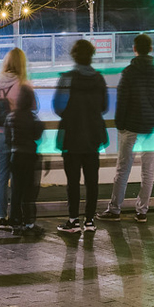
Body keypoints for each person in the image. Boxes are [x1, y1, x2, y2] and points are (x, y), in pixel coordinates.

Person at [101, 34, 154, 222]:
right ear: (150, 49)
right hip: (151, 126)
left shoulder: (129, 72)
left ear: (134, 49)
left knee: (123, 169)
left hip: (132, 126)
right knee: (148, 170)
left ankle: (115, 209)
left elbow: (122, 99)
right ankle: (142, 210)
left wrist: (120, 124)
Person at [52, 39, 109, 234]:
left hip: (71, 135)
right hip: (93, 136)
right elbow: (104, 107)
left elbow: (58, 106)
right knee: (92, 180)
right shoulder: (99, 79)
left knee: (73, 181)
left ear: (74, 56)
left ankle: (73, 220)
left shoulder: (67, 79)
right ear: (92, 55)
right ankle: (90, 220)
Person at [0, 48, 29, 226]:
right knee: (18, 177)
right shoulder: (22, 84)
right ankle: (16, 215)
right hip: (17, 134)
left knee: (1, 176)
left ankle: (1, 216)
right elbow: (32, 106)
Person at [8, 80, 46, 234]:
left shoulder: (11, 117)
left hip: (15, 156)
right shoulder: (33, 118)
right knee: (29, 192)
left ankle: (15, 223)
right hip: (30, 157)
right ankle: (29, 223)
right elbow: (37, 135)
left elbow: (7, 139)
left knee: (16, 190)